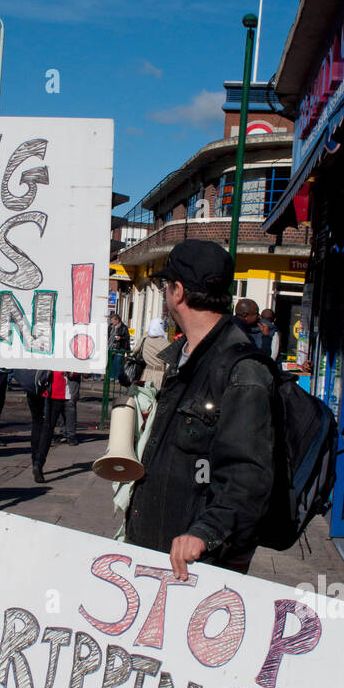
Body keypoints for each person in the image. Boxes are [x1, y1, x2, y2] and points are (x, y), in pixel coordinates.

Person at [123, 241, 276, 579]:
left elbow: (248, 476)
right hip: (154, 550)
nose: (166, 294)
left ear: (177, 292)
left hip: (195, 568)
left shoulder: (242, 370)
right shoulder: (184, 356)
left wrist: (206, 532)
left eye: (166, 286)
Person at [135, 317, 169, 390]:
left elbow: (133, 352)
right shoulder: (166, 344)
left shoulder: (143, 340)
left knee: (144, 396)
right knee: (156, 397)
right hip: (160, 374)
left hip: (146, 373)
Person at [108, 314, 130, 383]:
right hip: (111, 346)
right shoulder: (110, 326)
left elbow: (127, 337)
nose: (112, 323)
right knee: (111, 362)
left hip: (120, 347)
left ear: (117, 320)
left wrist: (120, 338)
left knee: (118, 362)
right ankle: (111, 377)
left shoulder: (123, 327)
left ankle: (117, 377)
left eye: (113, 321)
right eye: (111, 321)